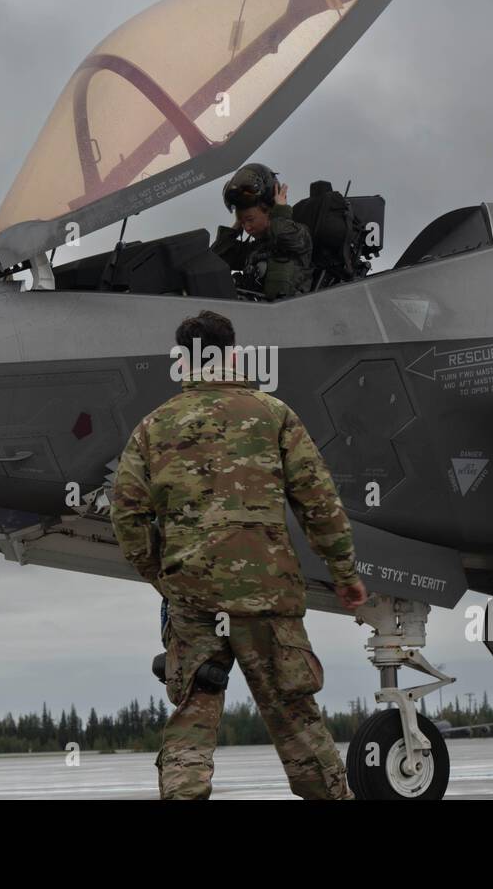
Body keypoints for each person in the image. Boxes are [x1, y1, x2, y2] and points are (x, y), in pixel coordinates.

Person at [109, 309, 368, 800]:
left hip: (192, 598)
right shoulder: (273, 415)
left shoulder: (153, 427)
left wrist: (163, 577)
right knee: (295, 717)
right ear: (232, 354)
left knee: (193, 714)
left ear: (183, 361)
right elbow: (318, 501)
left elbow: (126, 516)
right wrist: (345, 572)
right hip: (267, 597)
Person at [210, 163, 314, 300]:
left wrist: (280, 210)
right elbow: (216, 260)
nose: (247, 227)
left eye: (250, 219)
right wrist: (235, 228)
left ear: (270, 211)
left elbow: (285, 236)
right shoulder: (254, 250)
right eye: (242, 222)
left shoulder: (298, 236)